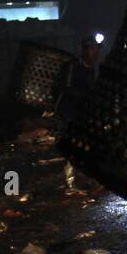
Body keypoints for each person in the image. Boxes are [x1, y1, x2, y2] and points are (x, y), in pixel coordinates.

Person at [55, 37, 100, 191]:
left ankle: (89, 179)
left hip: (81, 112)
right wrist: (83, 96)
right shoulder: (72, 66)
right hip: (67, 111)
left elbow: (91, 89)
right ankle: (70, 183)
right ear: (85, 50)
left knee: (86, 145)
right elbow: (65, 87)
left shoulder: (91, 69)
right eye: (92, 49)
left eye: (95, 49)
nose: (94, 52)